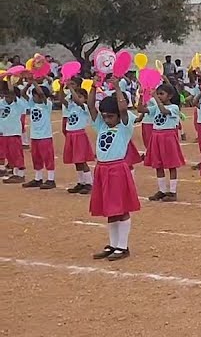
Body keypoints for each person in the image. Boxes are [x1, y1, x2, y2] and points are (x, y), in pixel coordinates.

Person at [86, 81, 140, 260]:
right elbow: (90, 106)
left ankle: (123, 247)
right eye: (105, 116)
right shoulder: (102, 125)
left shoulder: (124, 127)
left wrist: (117, 87)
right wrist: (93, 87)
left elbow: (123, 109)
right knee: (109, 209)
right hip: (103, 170)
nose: (107, 120)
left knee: (121, 208)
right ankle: (113, 244)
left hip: (117, 170)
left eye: (110, 116)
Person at [141, 84, 185, 202]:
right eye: (158, 93)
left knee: (171, 165)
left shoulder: (174, 107)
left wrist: (155, 97)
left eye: (162, 94)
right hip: (156, 135)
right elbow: (142, 110)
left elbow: (164, 111)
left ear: (169, 96)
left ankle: (172, 192)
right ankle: (162, 190)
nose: (159, 96)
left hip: (168, 137)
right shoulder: (156, 107)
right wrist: (142, 96)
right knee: (158, 164)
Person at [19, 80, 56, 189]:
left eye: (35, 95)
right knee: (36, 158)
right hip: (35, 136)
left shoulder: (47, 104)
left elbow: (41, 94)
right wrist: (28, 84)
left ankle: (51, 179)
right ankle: (38, 178)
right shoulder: (33, 104)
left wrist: (34, 82)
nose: (34, 97)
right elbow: (22, 94)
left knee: (48, 158)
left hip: (45, 136)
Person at [59, 82, 95, 193]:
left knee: (82, 160)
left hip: (79, 135)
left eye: (80, 96)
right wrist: (61, 87)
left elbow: (77, 101)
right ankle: (81, 182)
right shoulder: (71, 107)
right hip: (71, 134)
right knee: (76, 161)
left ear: (85, 99)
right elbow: (61, 99)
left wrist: (70, 87)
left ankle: (89, 183)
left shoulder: (84, 107)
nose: (76, 98)